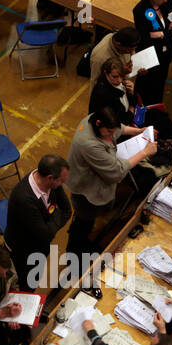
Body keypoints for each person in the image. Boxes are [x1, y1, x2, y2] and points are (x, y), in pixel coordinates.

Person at [66, 107, 156, 256]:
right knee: (83, 222)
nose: (112, 135)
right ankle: (74, 252)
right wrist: (144, 152)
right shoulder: (88, 143)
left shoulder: (97, 119)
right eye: (109, 132)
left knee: (87, 222)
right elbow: (117, 171)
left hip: (92, 180)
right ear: (99, 123)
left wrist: (140, 132)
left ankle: (81, 243)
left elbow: (119, 128)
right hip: (85, 191)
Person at [5, 155, 72, 294]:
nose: (63, 184)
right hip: (22, 252)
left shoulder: (51, 183)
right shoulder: (24, 199)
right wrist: (52, 222)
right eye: (61, 181)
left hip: (39, 246)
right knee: (26, 285)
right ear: (50, 178)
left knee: (35, 278)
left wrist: (49, 227)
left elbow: (67, 210)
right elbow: (45, 234)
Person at [133, 0, 172, 105]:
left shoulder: (168, 2)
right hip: (149, 57)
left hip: (165, 56)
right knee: (143, 90)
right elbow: (145, 38)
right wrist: (169, 32)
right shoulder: (140, 10)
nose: (166, 0)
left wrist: (162, 34)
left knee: (159, 89)